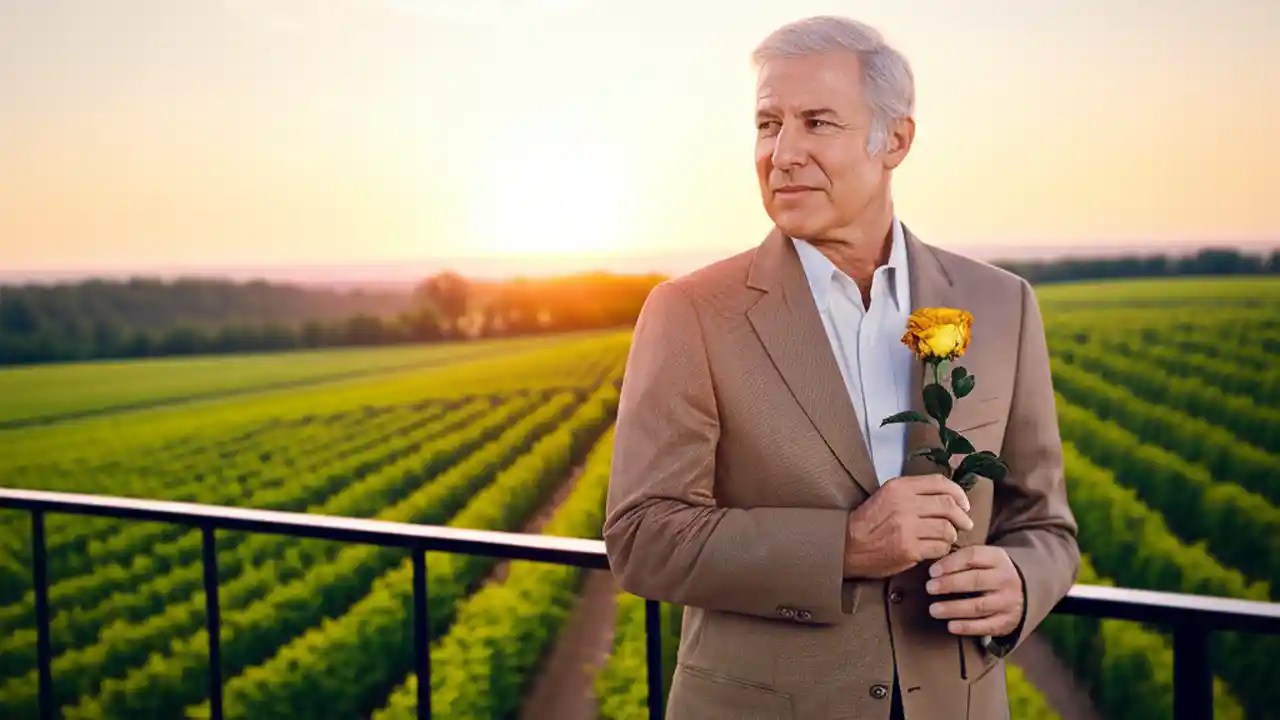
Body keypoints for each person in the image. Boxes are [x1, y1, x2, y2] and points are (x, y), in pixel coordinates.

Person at [603, 15, 1080, 720]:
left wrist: (1022, 578)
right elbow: (642, 537)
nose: (782, 152)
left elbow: (1045, 521)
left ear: (895, 140)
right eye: (768, 124)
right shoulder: (690, 312)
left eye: (817, 122)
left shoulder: (1002, 303)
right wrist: (846, 546)